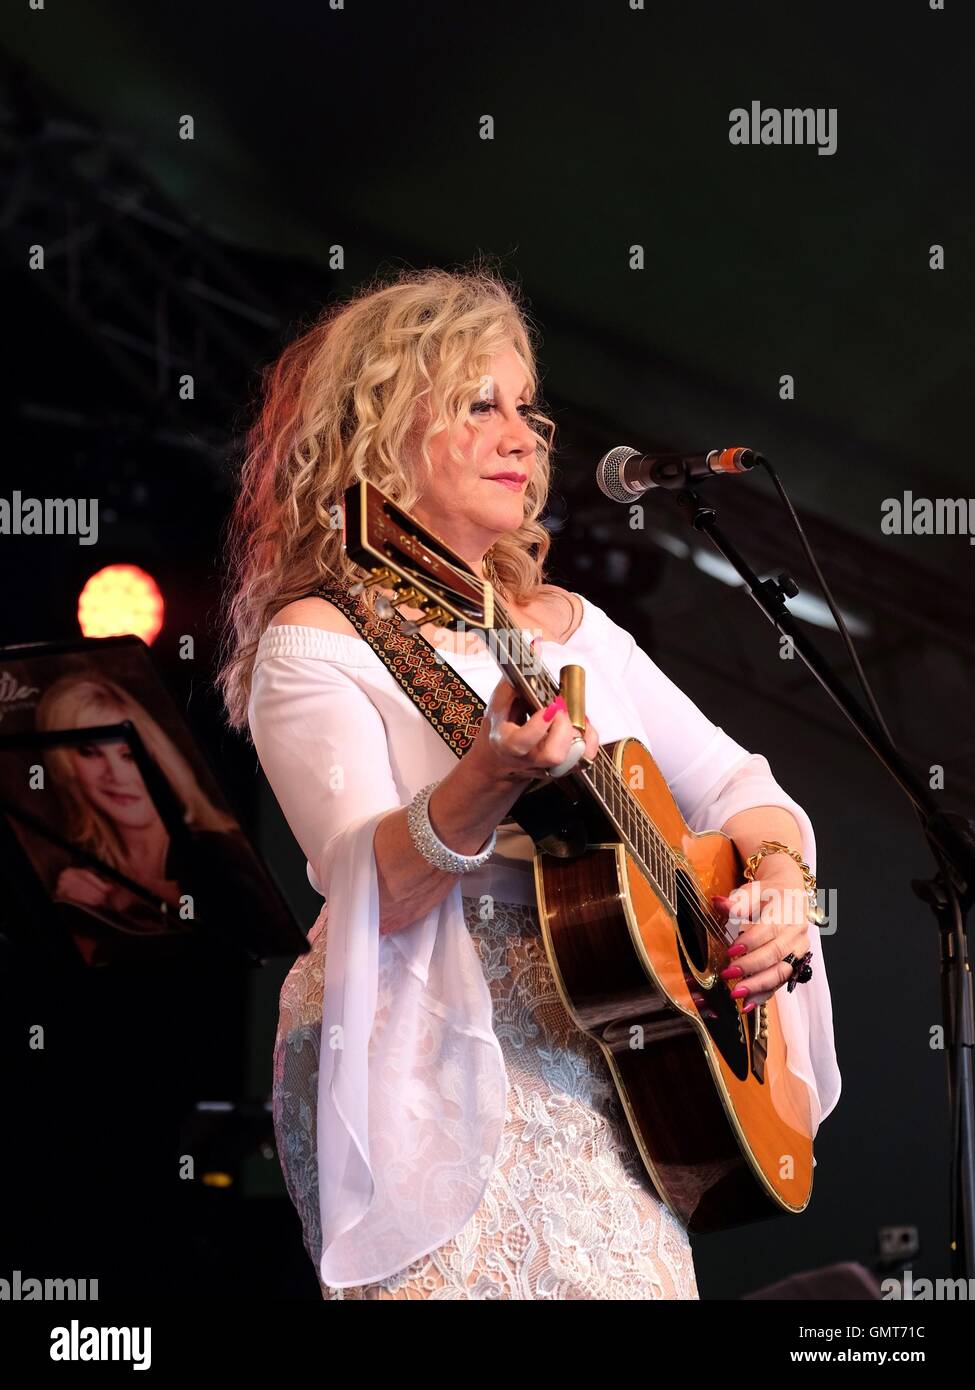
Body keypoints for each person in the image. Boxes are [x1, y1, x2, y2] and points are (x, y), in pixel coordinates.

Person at [217, 265, 841, 1300]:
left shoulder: (568, 625)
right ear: (379, 431)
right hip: (439, 1093)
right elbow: (369, 884)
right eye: (479, 405)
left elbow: (745, 784)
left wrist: (774, 882)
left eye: (527, 408)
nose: (523, 436)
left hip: (614, 1093)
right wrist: (492, 773)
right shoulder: (318, 641)